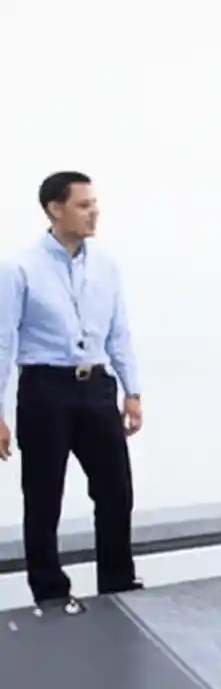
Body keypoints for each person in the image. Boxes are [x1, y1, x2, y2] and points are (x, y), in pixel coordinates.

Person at [0, 171, 144, 614]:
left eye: (94, 203)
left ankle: (117, 580)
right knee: (44, 494)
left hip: (96, 385)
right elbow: (3, 340)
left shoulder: (106, 264)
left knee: (116, 489)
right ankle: (49, 589)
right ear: (54, 209)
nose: (93, 212)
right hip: (46, 388)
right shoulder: (19, 267)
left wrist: (132, 390)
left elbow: (119, 330)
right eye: (83, 205)